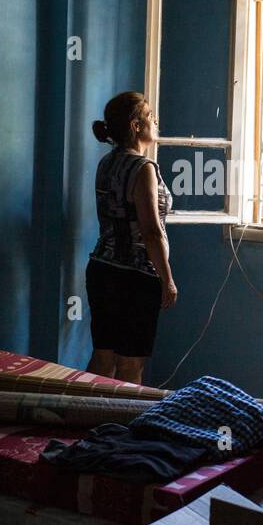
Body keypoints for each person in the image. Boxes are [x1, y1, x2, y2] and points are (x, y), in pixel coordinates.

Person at [85, 91, 176, 384]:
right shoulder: (143, 168)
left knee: (103, 358)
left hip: (101, 270)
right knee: (130, 366)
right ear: (136, 126)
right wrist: (167, 278)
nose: (156, 120)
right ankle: (119, 428)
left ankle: (82, 422)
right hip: (135, 277)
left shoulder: (106, 163)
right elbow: (151, 230)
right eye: (150, 115)